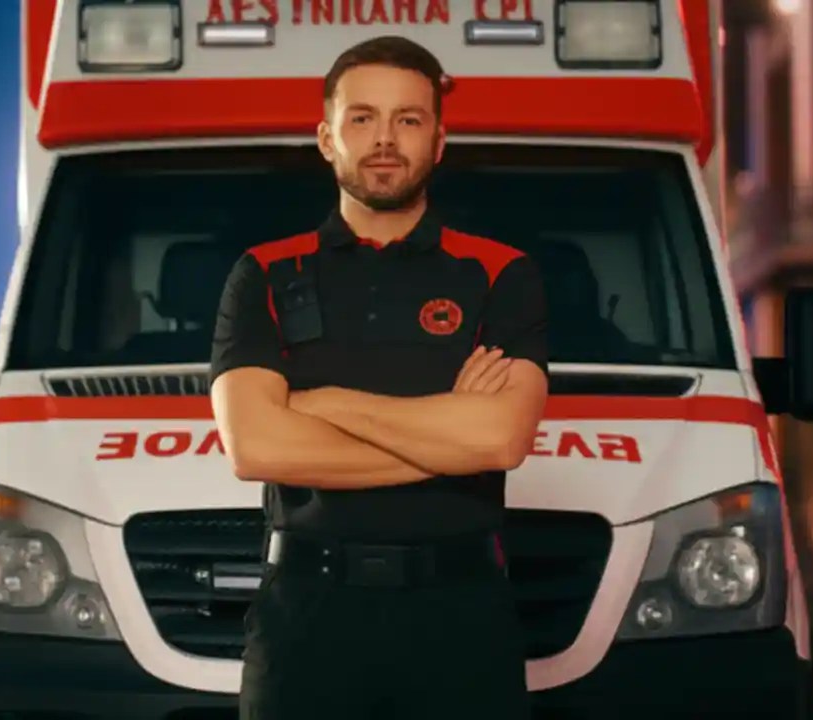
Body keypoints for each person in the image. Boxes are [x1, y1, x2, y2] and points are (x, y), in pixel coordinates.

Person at [209, 35, 549, 720]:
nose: (385, 139)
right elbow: (257, 448)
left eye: (408, 120)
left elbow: (500, 440)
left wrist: (326, 403)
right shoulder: (264, 273)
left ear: (439, 141)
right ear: (327, 139)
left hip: (461, 618)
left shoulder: (500, 272)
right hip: (307, 618)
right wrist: (444, 432)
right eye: (362, 118)